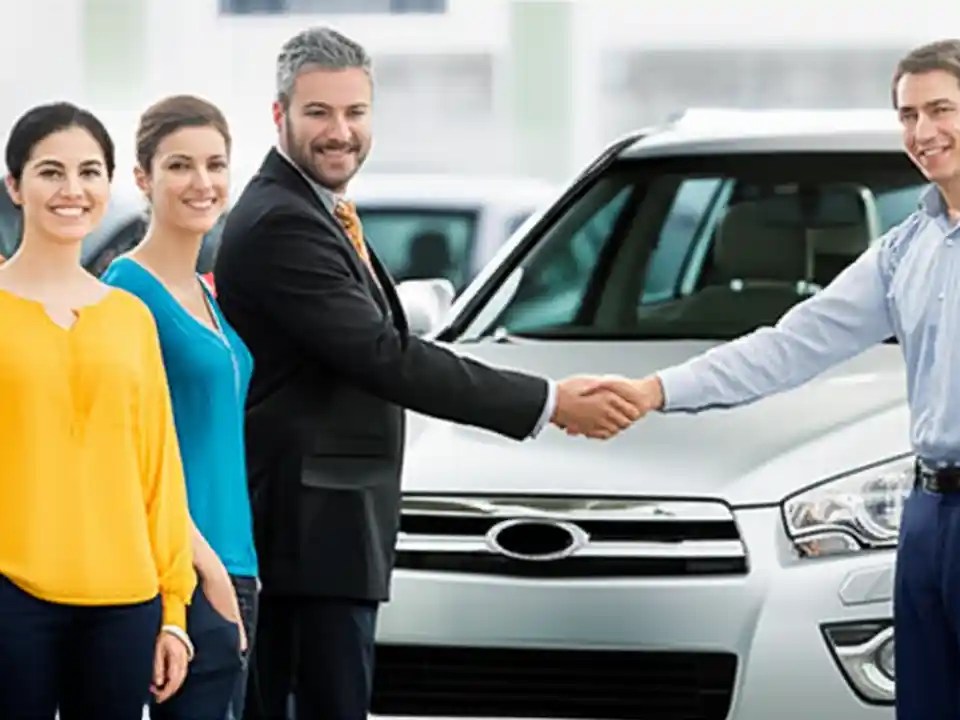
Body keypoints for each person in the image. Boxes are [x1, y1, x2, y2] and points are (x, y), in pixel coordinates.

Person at [587, 39, 960, 719]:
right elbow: (791, 344)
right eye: (908, 115)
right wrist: (657, 390)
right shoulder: (904, 248)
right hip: (924, 517)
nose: (922, 132)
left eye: (940, 110)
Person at [213, 27, 641, 720]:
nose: (340, 132)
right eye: (318, 113)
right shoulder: (281, 223)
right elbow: (382, 355)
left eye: (355, 113)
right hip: (307, 531)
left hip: (330, 526)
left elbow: (357, 337)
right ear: (279, 115)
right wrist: (549, 401)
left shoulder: (316, 212)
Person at [0, 102, 196, 718]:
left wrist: (174, 612)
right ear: (14, 185)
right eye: (50, 172)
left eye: (89, 172)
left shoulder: (130, 319)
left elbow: (159, 472)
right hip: (11, 595)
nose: (72, 190)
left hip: (125, 603)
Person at [100, 94, 259, 720]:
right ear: (142, 178)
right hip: (182, 574)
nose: (203, 183)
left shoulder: (201, 290)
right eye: (179, 166)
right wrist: (207, 571)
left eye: (216, 165)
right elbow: (121, 454)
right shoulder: (125, 292)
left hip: (236, 565)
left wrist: (238, 571)